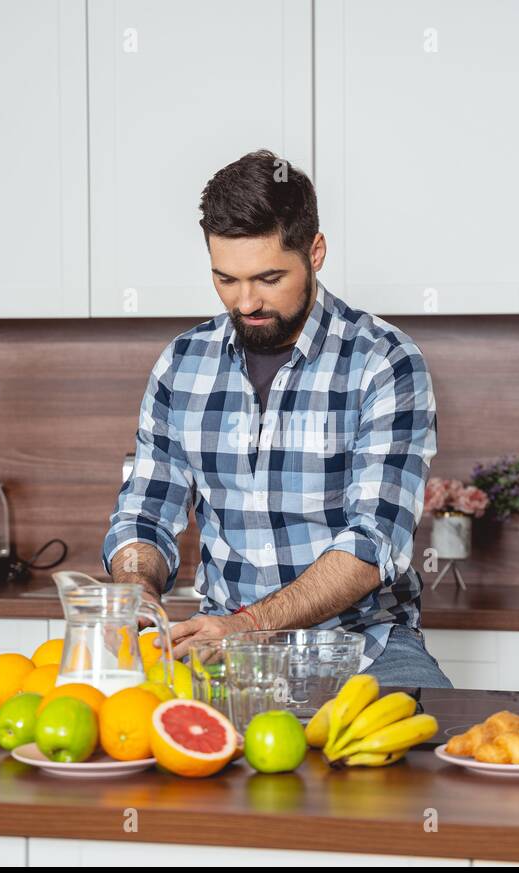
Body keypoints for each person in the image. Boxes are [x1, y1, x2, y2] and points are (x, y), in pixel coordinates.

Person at [102, 149, 451, 688]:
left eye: (268, 278)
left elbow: (373, 542)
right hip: (219, 652)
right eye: (226, 279)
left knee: (438, 736)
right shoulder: (182, 362)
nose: (246, 303)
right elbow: (145, 513)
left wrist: (249, 625)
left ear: (316, 252)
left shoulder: (384, 361)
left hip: (364, 647)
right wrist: (136, 587)